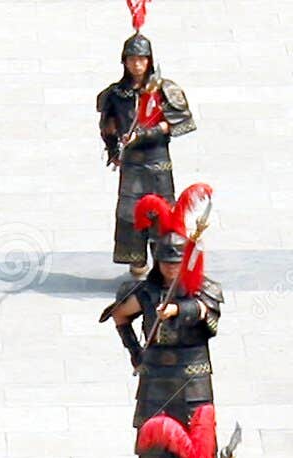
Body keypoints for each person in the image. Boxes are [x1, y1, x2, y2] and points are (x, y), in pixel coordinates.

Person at [101, 230, 222, 458]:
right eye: (166, 262)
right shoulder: (147, 291)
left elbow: (208, 315)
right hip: (156, 379)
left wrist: (178, 308)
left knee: (194, 450)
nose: (170, 268)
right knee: (161, 453)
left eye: (176, 262)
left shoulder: (203, 289)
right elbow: (119, 316)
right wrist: (135, 352)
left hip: (193, 378)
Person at [97, 21, 195, 277]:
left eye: (141, 59)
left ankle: (166, 266)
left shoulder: (163, 90)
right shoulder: (116, 94)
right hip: (131, 162)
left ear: (149, 61)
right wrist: (113, 149)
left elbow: (177, 122)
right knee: (131, 213)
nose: (137, 64)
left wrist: (146, 132)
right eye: (131, 59)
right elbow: (108, 125)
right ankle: (137, 264)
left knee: (162, 213)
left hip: (157, 159)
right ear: (125, 62)